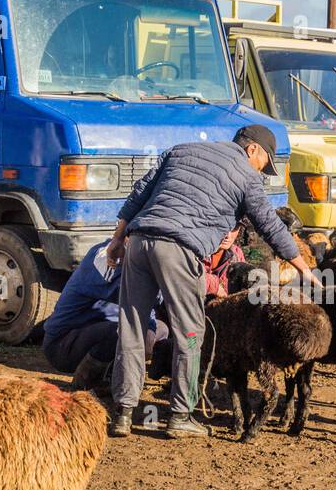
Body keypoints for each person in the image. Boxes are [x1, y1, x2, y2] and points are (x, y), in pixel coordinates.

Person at [105, 125, 319, 439]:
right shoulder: (246, 175)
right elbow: (270, 225)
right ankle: (180, 415)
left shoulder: (181, 149)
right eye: (265, 163)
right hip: (178, 247)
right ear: (252, 150)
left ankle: (123, 413)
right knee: (191, 331)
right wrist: (303, 268)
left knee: (132, 327)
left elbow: (141, 191)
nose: (263, 171)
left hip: (139, 241)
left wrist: (117, 238)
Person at [42, 240, 169, 392]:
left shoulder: (142, 263)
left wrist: (151, 328)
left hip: (103, 331)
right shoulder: (103, 257)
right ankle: (87, 380)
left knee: (162, 329)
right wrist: (148, 327)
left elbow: (150, 302)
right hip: (65, 344)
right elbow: (134, 296)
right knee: (124, 332)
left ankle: (124, 371)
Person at [204, 221, 248, 297]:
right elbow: (186, 276)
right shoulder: (196, 250)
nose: (228, 235)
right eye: (222, 226)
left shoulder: (237, 254)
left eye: (234, 228)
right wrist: (214, 287)